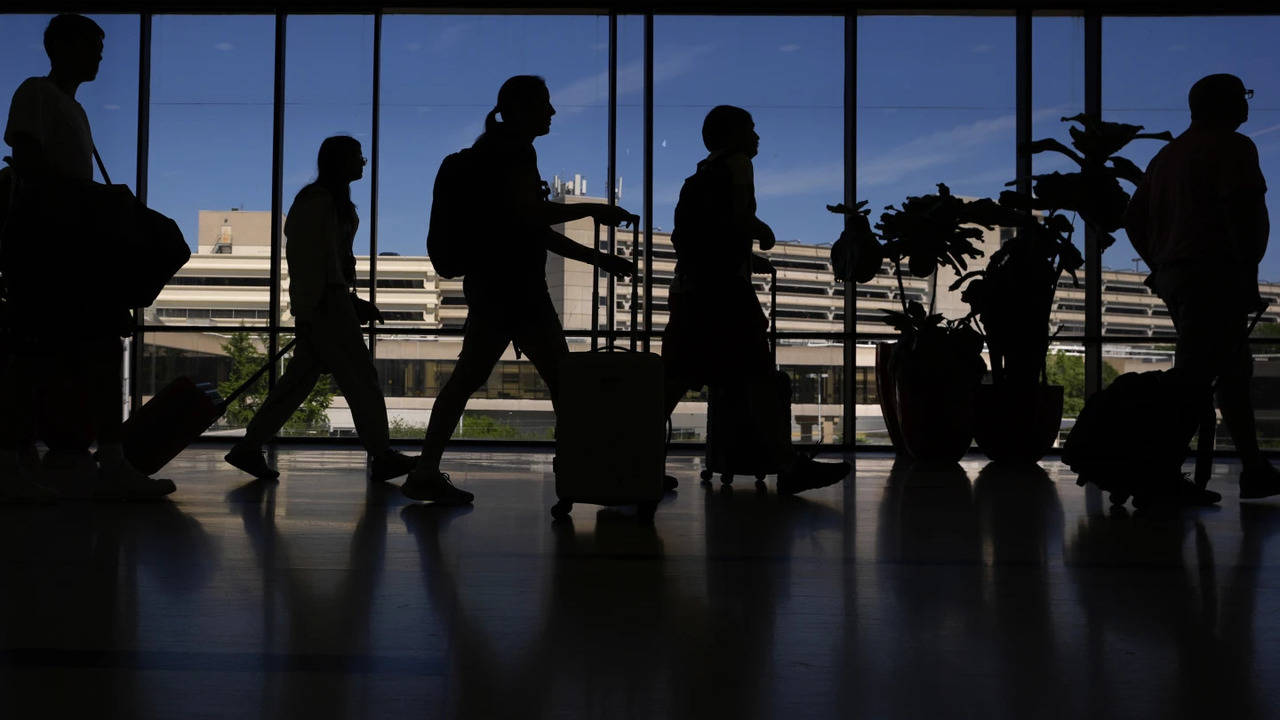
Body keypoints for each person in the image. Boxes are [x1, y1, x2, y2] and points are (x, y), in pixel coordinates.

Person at [402, 75, 637, 504]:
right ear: (523, 109)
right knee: (563, 383)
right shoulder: (513, 154)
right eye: (544, 104)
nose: (551, 112)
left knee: (467, 380)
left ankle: (426, 468)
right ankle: (580, 471)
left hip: (492, 287)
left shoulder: (488, 154)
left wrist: (596, 252)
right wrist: (593, 213)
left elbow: (525, 224)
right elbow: (531, 220)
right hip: (519, 290)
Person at [1, 14, 173, 501]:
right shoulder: (37, 93)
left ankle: (100, 464)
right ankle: (98, 466)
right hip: (47, 247)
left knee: (84, 352)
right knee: (44, 354)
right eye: (92, 45)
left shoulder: (69, 107)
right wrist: (95, 198)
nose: (100, 54)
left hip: (63, 246)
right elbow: (29, 161)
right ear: (60, 47)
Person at [662, 105, 849, 495]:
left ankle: (630, 459)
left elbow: (705, 236)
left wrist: (746, 255)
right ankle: (787, 466)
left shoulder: (697, 176)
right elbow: (738, 217)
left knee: (671, 383)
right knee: (759, 378)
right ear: (731, 136)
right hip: (725, 295)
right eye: (750, 128)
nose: (757, 136)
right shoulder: (738, 164)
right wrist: (760, 229)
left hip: (689, 292)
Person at [224, 136, 417, 483]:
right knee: (361, 380)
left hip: (321, 305)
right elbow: (321, 263)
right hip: (327, 307)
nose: (364, 162)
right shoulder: (321, 202)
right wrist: (337, 304)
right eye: (358, 156)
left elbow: (317, 260)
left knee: (297, 384)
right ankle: (381, 453)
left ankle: (250, 446)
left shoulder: (319, 201)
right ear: (341, 161)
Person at [1126, 73, 1280, 501]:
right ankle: (1161, 475)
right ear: (1221, 104)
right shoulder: (1233, 148)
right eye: (1241, 96)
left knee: (1227, 369)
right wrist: (1245, 272)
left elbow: (1133, 218)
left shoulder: (1167, 156)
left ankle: (1252, 467)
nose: (1247, 105)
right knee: (1200, 376)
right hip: (1215, 275)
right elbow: (1242, 215)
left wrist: (1159, 262)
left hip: (1180, 277)